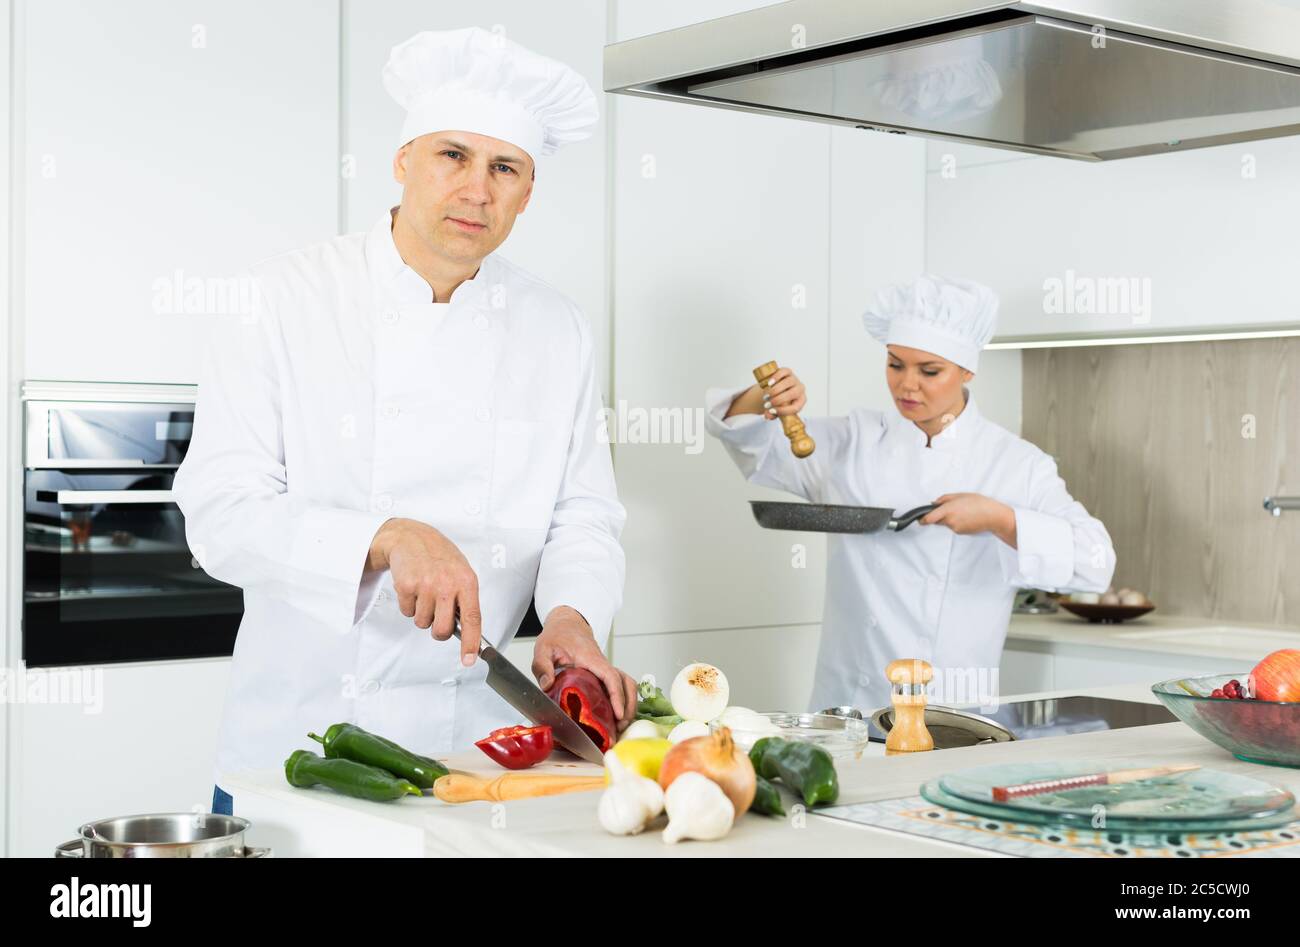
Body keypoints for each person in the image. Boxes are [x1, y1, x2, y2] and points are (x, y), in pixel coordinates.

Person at [175, 28, 635, 814]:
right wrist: (384, 537)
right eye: (452, 155)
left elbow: (583, 512)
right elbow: (220, 515)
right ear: (402, 161)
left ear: (528, 192)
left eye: (505, 168)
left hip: (479, 757)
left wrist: (571, 615)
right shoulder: (282, 298)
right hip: (304, 751)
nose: (476, 190)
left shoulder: (558, 329)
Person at [704, 275, 1115, 715]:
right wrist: (762, 395)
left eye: (929, 371)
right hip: (847, 711)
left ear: (967, 370)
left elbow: (1096, 563)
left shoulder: (1015, 464)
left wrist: (1001, 519)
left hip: (953, 716)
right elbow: (749, 438)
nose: (906, 385)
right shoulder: (853, 442)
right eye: (895, 364)